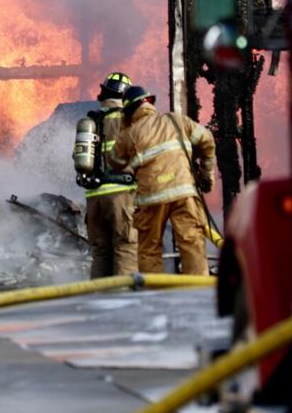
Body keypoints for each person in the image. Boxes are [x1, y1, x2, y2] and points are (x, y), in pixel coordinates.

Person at [111, 85, 216, 275]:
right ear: (149, 102)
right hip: (183, 192)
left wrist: (125, 126)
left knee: (148, 250)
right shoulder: (176, 120)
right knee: (192, 242)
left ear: (128, 111)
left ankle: (154, 290)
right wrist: (206, 172)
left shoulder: (128, 134)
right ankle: (198, 288)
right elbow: (207, 139)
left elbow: (115, 161)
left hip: (151, 199)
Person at [81, 72, 139, 278]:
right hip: (121, 195)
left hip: (94, 197)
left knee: (101, 252)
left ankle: (99, 295)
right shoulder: (128, 119)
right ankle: (123, 296)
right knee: (125, 247)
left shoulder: (91, 121)